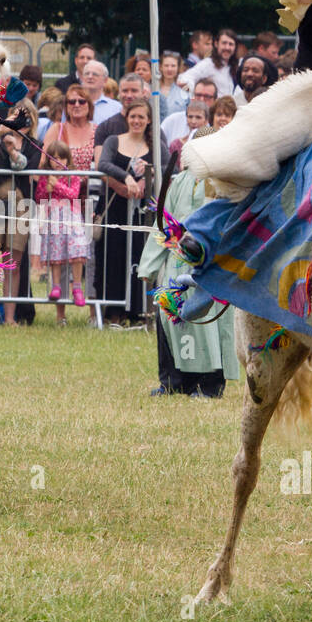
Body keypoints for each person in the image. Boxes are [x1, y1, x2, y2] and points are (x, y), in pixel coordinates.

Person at [140, 126, 238, 396]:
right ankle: (172, 382)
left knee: (207, 326)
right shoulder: (180, 180)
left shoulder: (226, 182)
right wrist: (149, 264)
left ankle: (209, 386)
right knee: (169, 317)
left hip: (210, 265)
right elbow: (165, 223)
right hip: (176, 263)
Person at [0, 99, 40, 326]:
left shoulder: (34, 145)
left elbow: (26, 167)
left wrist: (14, 151)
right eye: (16, 115)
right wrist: (0, 133)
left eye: (26, 116)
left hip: (21, 206)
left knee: (14, 261)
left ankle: (10, 317)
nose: (21, 120)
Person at [41, 84, 98, 323]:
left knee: (86, 254)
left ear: (89, 106)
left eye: (81, 101)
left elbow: (99, 161)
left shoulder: (96, 130)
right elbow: (43, 163)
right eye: (71, 102)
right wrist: (50, 184)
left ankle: (93, 312)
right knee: (58, 249)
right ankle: (60, 313)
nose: (76, 106)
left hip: (87, 199)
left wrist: (80, 178)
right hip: (59, 204)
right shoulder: (57, 128)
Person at [95, 99, 153, 326]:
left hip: (141, 212)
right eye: (133, 116)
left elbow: (170, 166)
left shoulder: (154, 143)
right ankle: (113, 312)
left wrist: (150, 177)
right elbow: (103, 164)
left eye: (141, 117)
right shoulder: (113, 140)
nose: (137, 121)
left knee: (140, 258)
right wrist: (127, 177)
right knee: (113, 257)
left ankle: (139, 312)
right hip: (115, 210)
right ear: (127, 118)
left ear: (148, 120)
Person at [37, 139, 92, 321]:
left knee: (77, 250)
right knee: (56, 253)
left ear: (68, 159)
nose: (58, 161)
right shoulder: (45, 176)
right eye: (54, 158)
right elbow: (40, 196)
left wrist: (57, 186)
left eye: (62, 158)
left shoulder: (72, 175)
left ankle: (77, 285)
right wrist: (48, 186)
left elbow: (73, 194)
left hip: (72, 219)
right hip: (53, 219)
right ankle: (56, 286)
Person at [177, 28, 238, 98]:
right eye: (224, 43)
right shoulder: (208, 64)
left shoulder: (234, 66)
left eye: (231, 44)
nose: (227, 47)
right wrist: (197, 94)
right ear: (216, 44)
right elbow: (184, 79)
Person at [161, 78, 217, 145]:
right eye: (198, 95)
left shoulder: (217, 123)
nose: (201, 99)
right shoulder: (173, 120)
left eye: (207, 96)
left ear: (215, 100)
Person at [158, 51, 189, 117]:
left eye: (173, 66)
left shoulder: (185, 89)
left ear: (178, 68)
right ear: (160, 67)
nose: (169, 69)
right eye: (166, 65)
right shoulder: (153, 89)